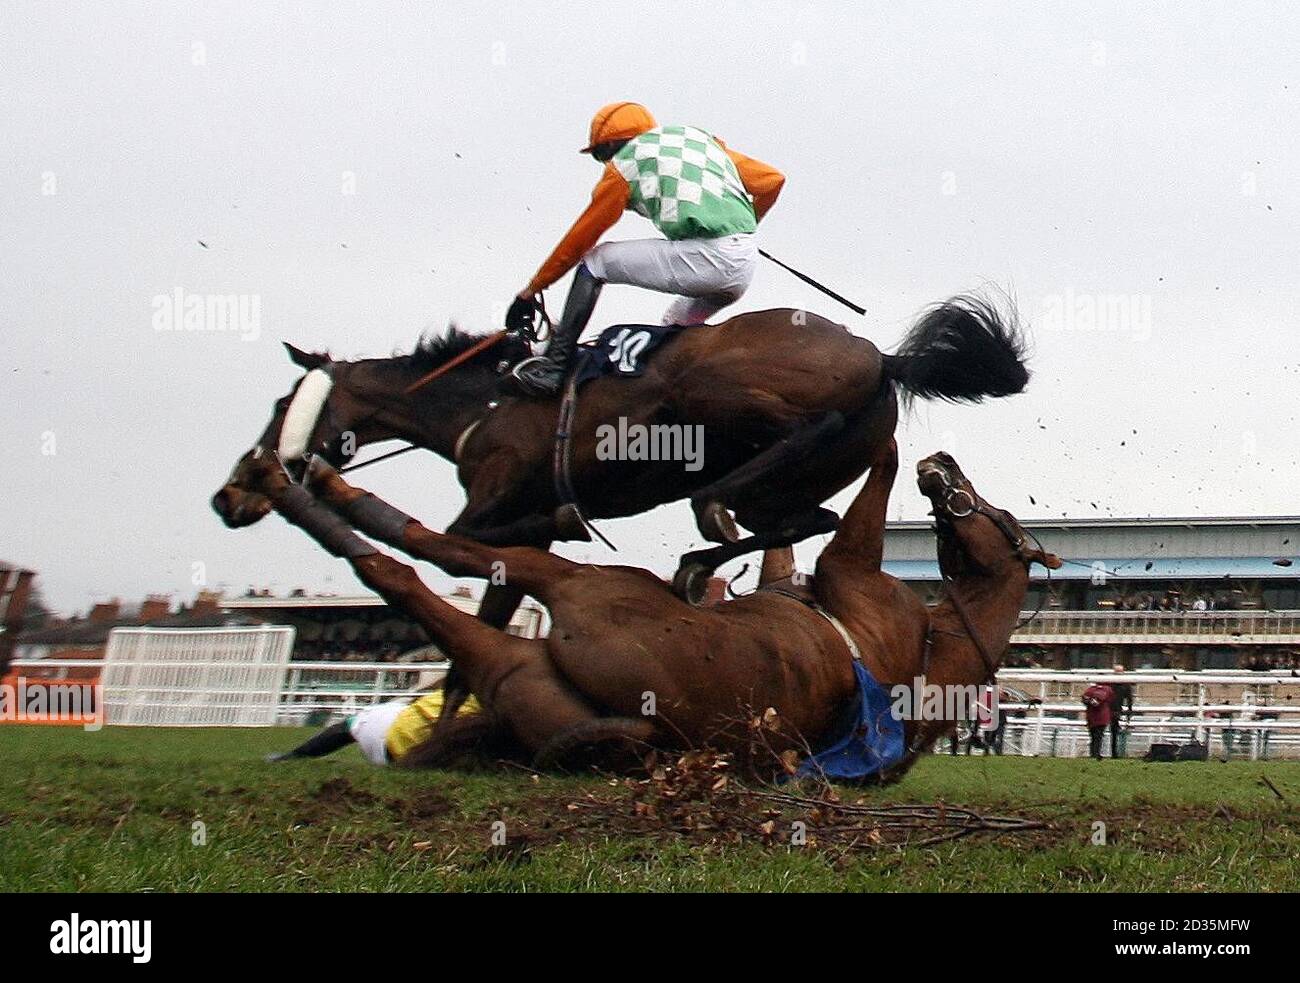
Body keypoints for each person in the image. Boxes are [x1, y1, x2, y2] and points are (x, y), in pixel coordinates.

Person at [504, 102, 786, 397]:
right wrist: (738, 223)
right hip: (743, 263)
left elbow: (580, 240)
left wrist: (532, 290)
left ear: (613, 145)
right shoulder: (697, 140)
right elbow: (771, 181)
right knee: (673, 325)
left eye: (601, 155)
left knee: (596, 262)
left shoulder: (624, 165)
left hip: (708, 259)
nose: (604, 164)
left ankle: (553, 369)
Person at [266, 687, 480, 767]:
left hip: (395, 740)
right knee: (357, 724)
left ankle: (293, 757)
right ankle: (293, 757)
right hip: (397, 737)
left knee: (353, 725)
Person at [1082, 679, 1115, 760]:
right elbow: (1109, 700)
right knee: (1098, 736)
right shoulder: (1107, 690)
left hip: (1092, 717)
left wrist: (1089, 700)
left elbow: (1085, 699)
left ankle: (1094, 753)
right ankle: (1096, 753)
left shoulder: (1090, 690)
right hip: (1102, 717)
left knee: (1094, 736)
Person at [1108, 664, 1134, 758]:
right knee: (1111, 732)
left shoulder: (1126, 684)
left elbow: (1130, 698)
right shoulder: (1110, 683)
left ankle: (1117, 753)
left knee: (1118, 731)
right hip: (1110, 709)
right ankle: (1113, 753)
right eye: (1117, 672)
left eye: (1120, 672)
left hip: (1118, 710)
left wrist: (1129, 710)